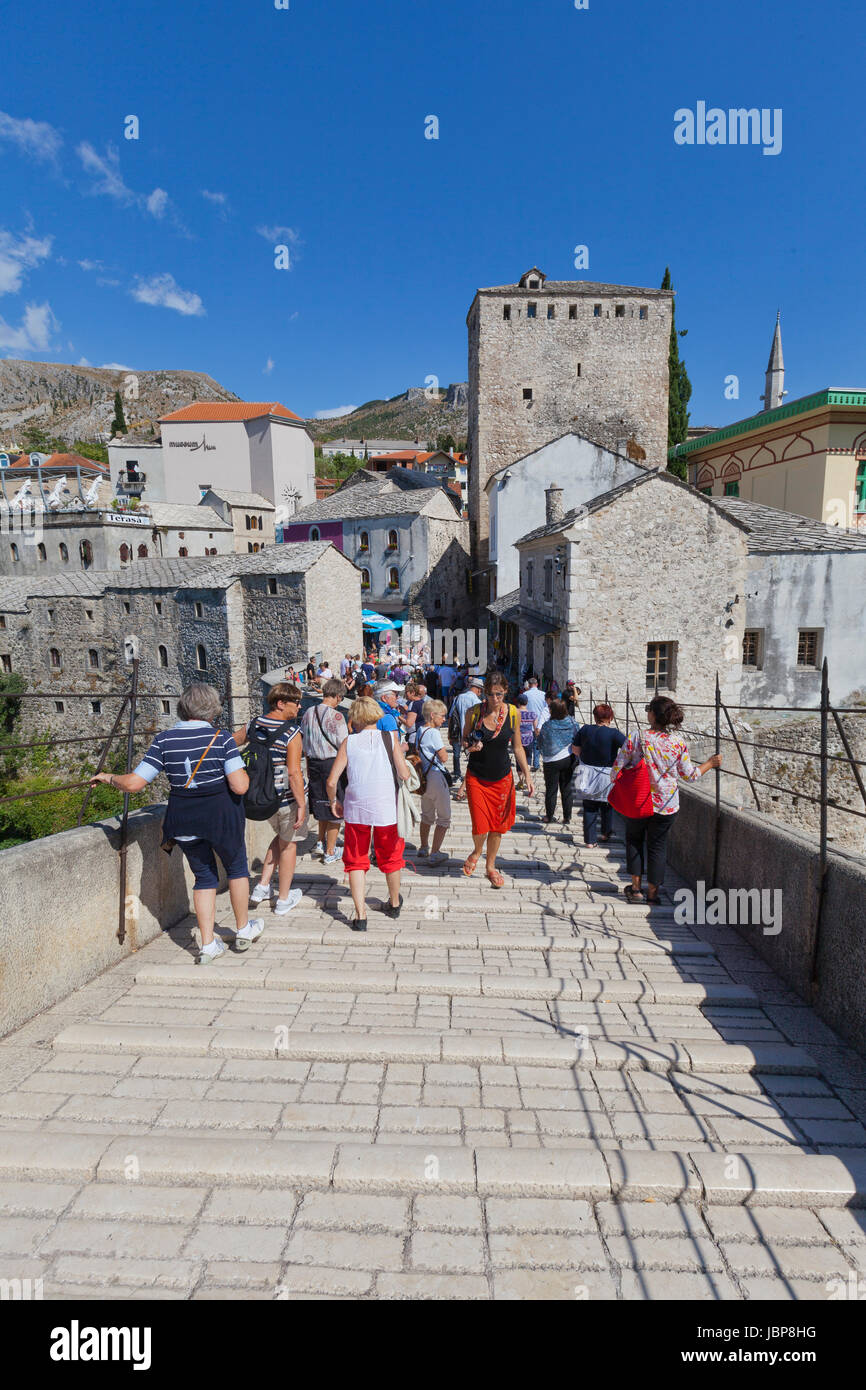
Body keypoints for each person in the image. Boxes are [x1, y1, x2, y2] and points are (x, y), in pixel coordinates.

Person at [91, 683, 262, 965]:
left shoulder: (164, 740)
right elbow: (240, 786)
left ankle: (207, 945)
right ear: (213, 709)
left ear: (183, 708)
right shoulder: (221, 739)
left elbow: (134, 783)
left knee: (204, 877)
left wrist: (108, 777)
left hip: (182, 818)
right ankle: (243, 930)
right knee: (236, 869)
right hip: (221, 817)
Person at [611, 695, 722, 906]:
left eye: (648, 710)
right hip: (666, 804)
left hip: (638, 801)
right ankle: (653, 894)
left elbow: (616, 768)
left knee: (634, 841)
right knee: (658, 847)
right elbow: (690, 775)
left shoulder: (637, 737)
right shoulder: (678, 743)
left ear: (652, 714)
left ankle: (635, 890)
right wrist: (710, 763)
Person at [326, 695, 412, 931]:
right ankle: (394, 904)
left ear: (355, 717)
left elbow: (332, 780)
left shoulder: (349, 742)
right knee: (392, 855)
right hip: (387, 808)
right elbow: (404, 774)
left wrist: (334, 801)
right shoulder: (390, 738)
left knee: (356, 859)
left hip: (356, 808)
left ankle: (361, 915)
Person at [235, 682, 306, 916]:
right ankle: (284, 899)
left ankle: (263, 886)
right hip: (283, 798)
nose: (299, 706)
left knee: (281, 837)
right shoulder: (291, 733)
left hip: (258, 796)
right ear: (280, 703)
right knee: (289, 845)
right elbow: (294, 773)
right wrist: (302, 805)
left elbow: (229, 745)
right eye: (296, 702)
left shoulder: (253, 724)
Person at [461, 672, 534, 889]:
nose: (495, 699)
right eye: (491, 695)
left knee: (497, 827)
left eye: (499, 694)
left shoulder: (512, 713)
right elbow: (463, 740)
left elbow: (518, 747)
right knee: (481, 825)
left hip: (502, 777)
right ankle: (476, 851)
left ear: (505, 692)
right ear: (485, 694)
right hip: (476, 775)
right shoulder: (473, 713)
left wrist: (527, 775)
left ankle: (490, 867)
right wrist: (470, 746)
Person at [301, 677, 348, 864]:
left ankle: (320, 842)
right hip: (332, 763)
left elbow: (304, 741)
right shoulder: (337, 717)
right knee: (336, 806)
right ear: (337, 696)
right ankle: (330, 851)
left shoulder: (307, 712)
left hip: (313, 763)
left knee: (321, 804)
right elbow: (344, 744)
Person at [572, 703, 626, 846]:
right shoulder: (614, 734)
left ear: (595, 716)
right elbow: (629, 748)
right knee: (607, 805)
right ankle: (605, 833)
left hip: (585, 772)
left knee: (589, 806)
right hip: (606, 774)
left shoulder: (585, 729)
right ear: (610, 717)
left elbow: (575, 749)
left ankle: (590, 841)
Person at [415, 698, 451, 867]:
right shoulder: (434, 733)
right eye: (442, 716)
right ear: (432, 715)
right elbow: (443, 757)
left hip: (424, 780)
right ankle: (435, 853)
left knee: (427, 814)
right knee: (444, 817)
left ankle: (423, 846)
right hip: (436, 776)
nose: (444, 719)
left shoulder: (419, 730)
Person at [538, 698, 578, 825]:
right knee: (566, 788)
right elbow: (578, 738)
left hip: (551, 760)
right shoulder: (572, 722)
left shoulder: (547, 726)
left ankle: (549, 816)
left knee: (551, 789)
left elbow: (540, 742)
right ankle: (567, 817)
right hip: (568, 758)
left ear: (552, 711)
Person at [449, 676, 483, 779]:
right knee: (472, 755)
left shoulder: (458, 697)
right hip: (470, 733)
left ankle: (457, 773)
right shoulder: (477, 701)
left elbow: (451, 715)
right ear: (478, 689)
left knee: (456, 754)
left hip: (457, 731)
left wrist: (449, 734)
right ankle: (472, 774)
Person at [522, 677, 547, 771]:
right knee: (537, 744)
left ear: (529, 684)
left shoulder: (525, 695)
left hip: (527, 723)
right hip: (540, 723)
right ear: (537, 684)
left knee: (528, 744)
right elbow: (546, 709)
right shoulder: (543, 694)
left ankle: (528, 762)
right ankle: (536, 764)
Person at [515, 694, 535, 792]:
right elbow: (535, 728)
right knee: (528, 758)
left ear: (518, 702)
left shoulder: (515, 713)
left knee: (519, 760)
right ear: (526, 703)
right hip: (529, 739)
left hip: (518, 739)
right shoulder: (532, 714)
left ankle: (521, 780)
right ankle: (526, 776)